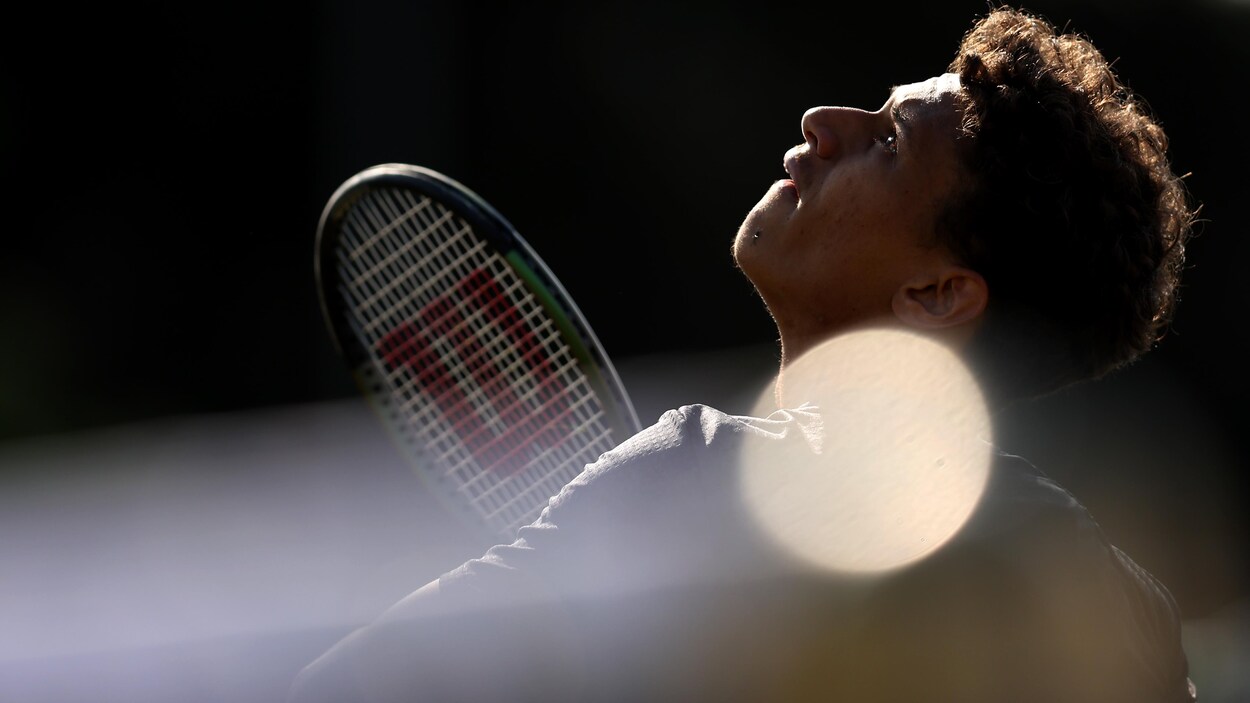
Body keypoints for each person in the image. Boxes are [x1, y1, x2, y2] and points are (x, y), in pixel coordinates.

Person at [289, 6, 1196, 702]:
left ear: (936, 294)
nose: (822, 123)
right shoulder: (1125, 608)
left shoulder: (699, 471)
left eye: (886, 144)